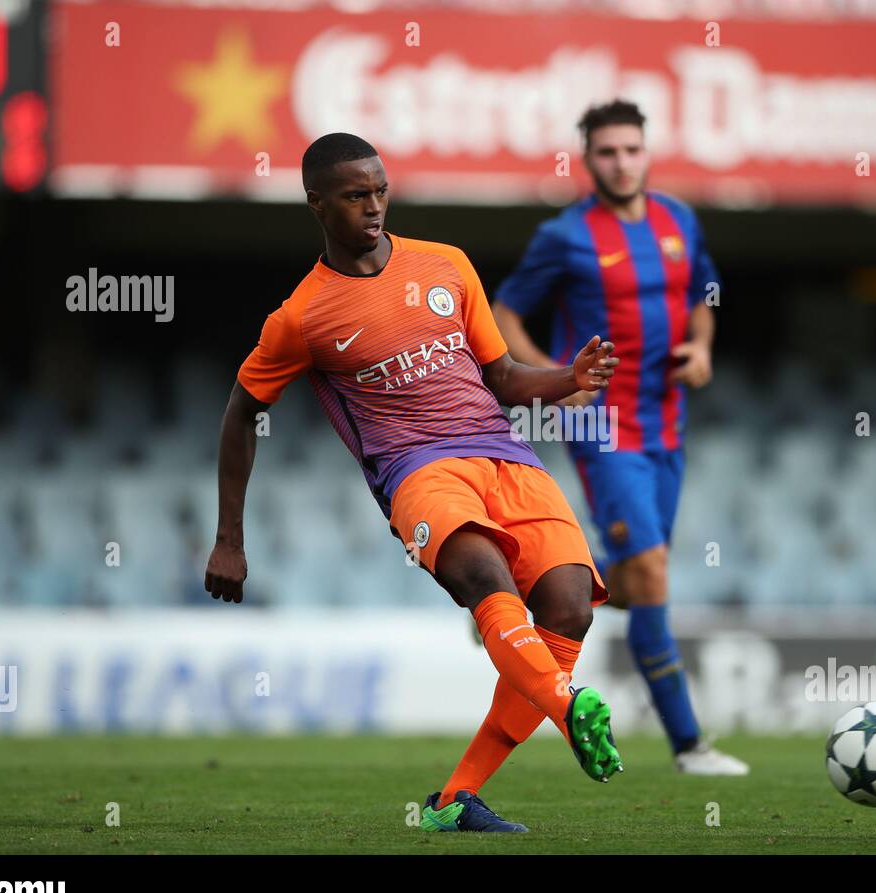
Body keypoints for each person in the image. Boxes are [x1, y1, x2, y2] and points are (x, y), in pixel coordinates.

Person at [204, 133, 623, 832]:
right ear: (317, 204)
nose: (373, 207)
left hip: (507, 457)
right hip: (417, 470)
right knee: (485, 580)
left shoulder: (447, 265)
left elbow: (504, 379)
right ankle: (568, 704)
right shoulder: (302, 316)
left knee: (569, 607)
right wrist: (228, 540)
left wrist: (568, 380)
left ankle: (455, 802)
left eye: (379, 191)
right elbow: (241, 415)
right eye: (354, 196)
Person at [492, 100, 748, 775]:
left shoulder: (678, 220)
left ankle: (535, 595)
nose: (621, 162)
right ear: (588, 160)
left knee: (638, 579)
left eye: (631, 149)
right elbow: (504, 310)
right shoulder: (565, 236)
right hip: (597, 420)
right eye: (607, 152)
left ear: (647, 151)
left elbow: (704, 290)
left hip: (667, 421)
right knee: (655, 569)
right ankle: (690, 745)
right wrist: (552, 380)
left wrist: (701, 345)